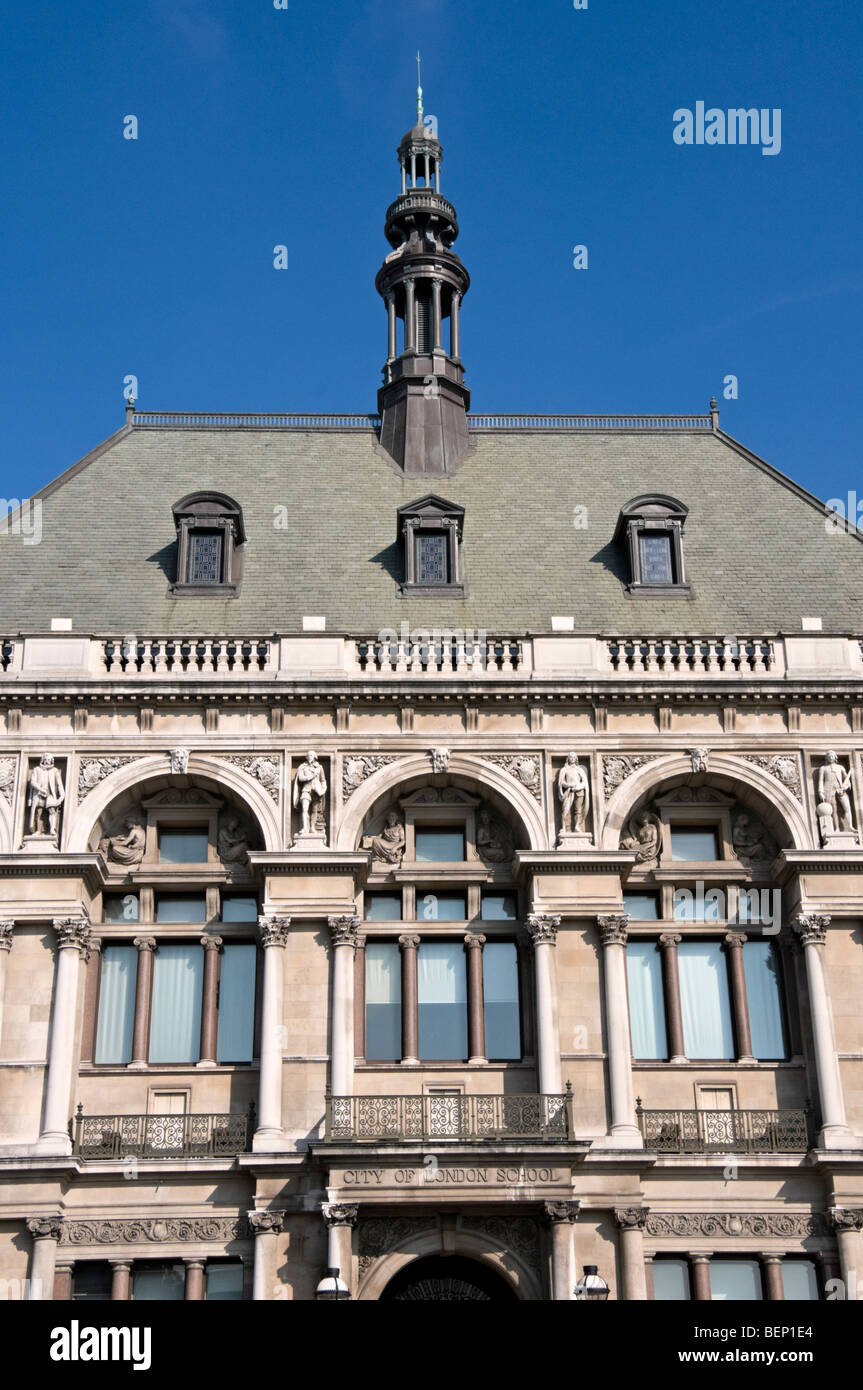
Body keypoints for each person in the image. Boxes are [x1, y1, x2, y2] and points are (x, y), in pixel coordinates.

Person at [27, 754, 65, 838]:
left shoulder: (55, 771)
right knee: (38, 812)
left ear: (51, 761)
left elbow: (59, 784)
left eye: (49, 759)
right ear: (43, 760)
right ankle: (38, 830)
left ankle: (52, 829)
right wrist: (40, 789)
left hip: (50, 795)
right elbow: (32, 782)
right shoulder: (37, 769)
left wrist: (62, 795)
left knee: (52, 810)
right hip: (39, 794)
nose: (47, 761)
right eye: (45, 759)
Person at [816, 751, 854, 832]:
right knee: (833, 810)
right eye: (829, 756)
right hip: (829, 790)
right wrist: (820, 792)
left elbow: (847, 780)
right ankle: (836, 829)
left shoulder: (840, 767)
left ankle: (850, 826)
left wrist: (844, 788)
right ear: (826, 758)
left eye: (832, 756)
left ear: (835, 757)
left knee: (847, 808)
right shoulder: (823, 768)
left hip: (840, 789)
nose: (830, 757)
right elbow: (820, 781)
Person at [293, 750, 327, 835]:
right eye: (308, 755)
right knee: (305, 808)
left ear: (315, 756)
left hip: (316, 790)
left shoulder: (319, 767)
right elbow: (300, 778)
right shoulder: (302, 767)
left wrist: (323, 789)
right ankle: (304, 828)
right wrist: (310, 777)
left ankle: (312, 827)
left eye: (311, 755)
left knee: (314, 810)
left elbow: (323, 780)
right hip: (306, 789)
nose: (310, 757)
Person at [557, 753, 589, 833]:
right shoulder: (564, 769)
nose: (572, 759)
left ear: (576, 759)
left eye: (574, 757)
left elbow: (584, 782)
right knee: (565, 810)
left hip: (579, 791)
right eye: (571, 757)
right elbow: (561, 782)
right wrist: (568, 785)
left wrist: (578, 787)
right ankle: (564, 827)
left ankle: (577, 826)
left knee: (578, 810)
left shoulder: (580, 770)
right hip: (568, 791)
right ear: (568, 758)